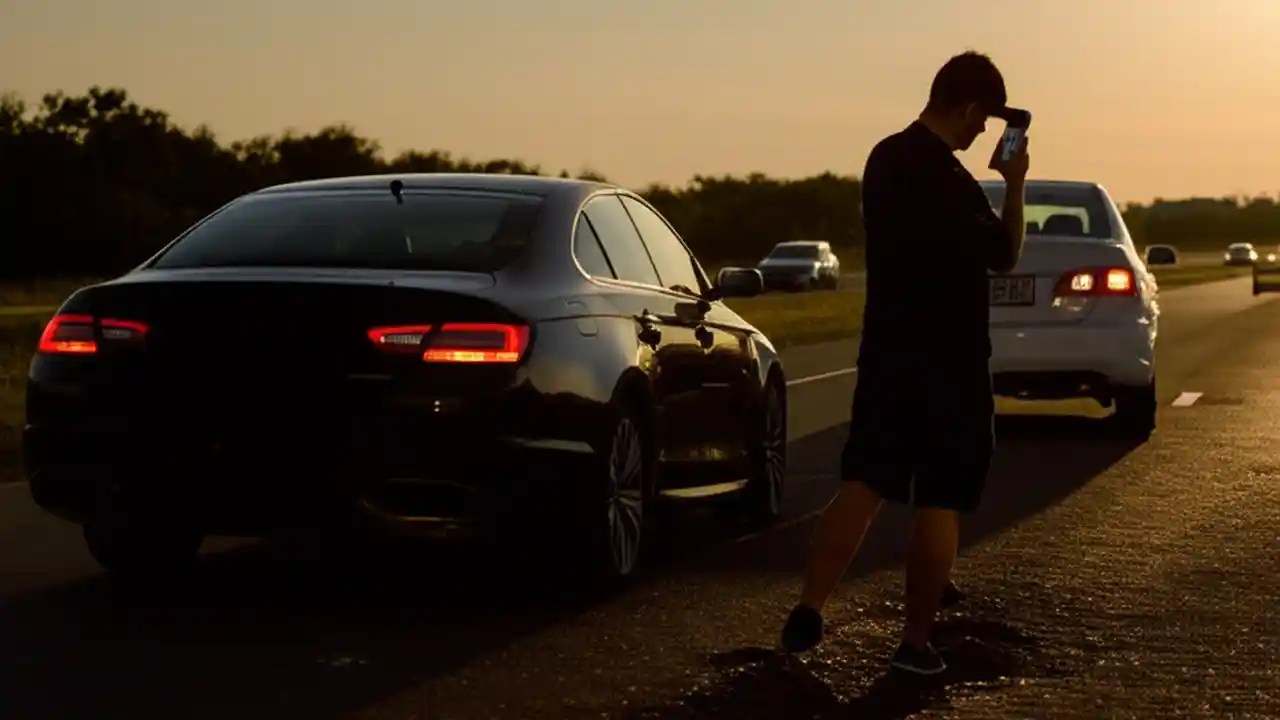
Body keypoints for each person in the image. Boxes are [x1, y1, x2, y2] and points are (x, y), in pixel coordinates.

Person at [778, 50, 1030, 676]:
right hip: (951, 361)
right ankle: (915, 644)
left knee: (864, 483)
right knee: (939, 500)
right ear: (969, 108)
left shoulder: (884, 157)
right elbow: (1003, 254)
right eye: (982, 121)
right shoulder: (951, 180)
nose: (981, 135)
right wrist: (1015, 183)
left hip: (887, 350)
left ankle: (811, 603)